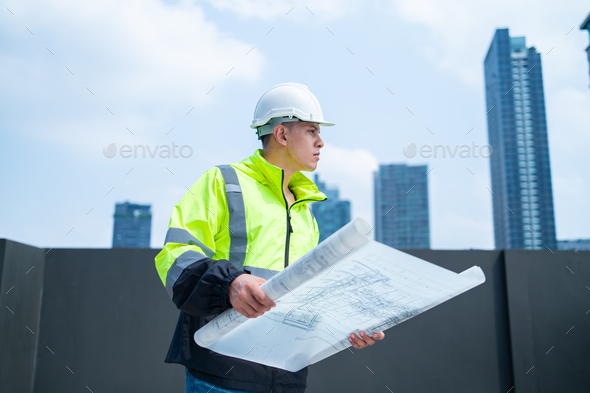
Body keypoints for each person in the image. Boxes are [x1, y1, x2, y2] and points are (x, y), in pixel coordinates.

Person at [154, 83, 385, 393]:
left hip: (287, 378)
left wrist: (346, 325)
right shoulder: (223, 182)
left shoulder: (304, 212)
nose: (321, 142)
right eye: (312, 131)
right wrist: (230, 285)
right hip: (222, 376)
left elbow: (306, 297)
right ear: (281, 134)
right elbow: (176, 257)